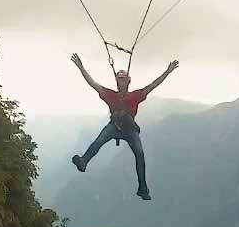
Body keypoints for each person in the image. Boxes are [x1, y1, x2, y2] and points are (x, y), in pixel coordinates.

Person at [70, 53, 179, 200]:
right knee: (98, 141)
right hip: (116, 126)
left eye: (123, 79)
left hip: (129, 129)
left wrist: (167, 72)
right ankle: (84, 161)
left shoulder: (135, 96)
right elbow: (93, 84)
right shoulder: (111, 95)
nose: (121, 82)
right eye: (119, 79)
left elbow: (153, 85)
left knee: (139, 154)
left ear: (128, 81)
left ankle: (143, 188)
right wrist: (81, 68)